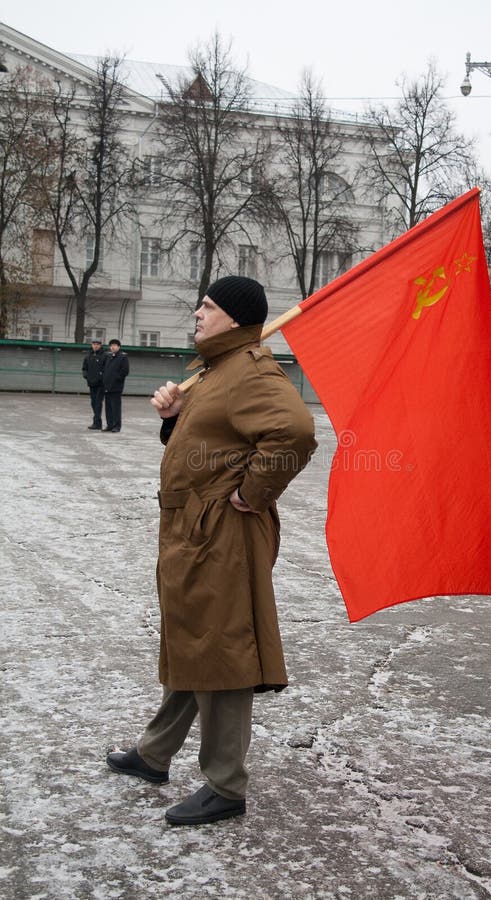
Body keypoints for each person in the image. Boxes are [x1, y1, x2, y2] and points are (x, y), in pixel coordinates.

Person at [107, 276, 317, 826]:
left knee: (219, 649)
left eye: (209, 305)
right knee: (193, 636)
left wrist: (252, 493)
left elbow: (293, 432)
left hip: (220, 532)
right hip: (195, 531)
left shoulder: (248, 370)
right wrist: (173, 419)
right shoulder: (217, 370)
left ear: (234, 316)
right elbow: (215, 441)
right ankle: (155, 754)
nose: (198, 312)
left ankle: (225, 786)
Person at [102, 339, 129, 432]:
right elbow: (105, 370)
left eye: (114, 345)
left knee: (116, 407)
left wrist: (116, 379)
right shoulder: (108, 356)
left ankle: (117, 426)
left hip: (116, 387)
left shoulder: (122, 357)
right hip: (107, 386)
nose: (112, 347)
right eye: (111, 345)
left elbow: (125, 371)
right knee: (108, 407)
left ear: (118, 347)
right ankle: (109, 425)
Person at [82, 338, 105, 430]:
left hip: (101, 384)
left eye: (97, 344)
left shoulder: (104, 356)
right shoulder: (88, 356)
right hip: (91, 383)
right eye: (94, 344)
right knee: (93, 403)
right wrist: (86, 376)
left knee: (98, 403)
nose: (95, 345)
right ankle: (97, 422)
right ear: (92, 345)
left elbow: (106, 369)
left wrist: (102, 377)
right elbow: (84, 368)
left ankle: (97, 423)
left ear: (100, 345)